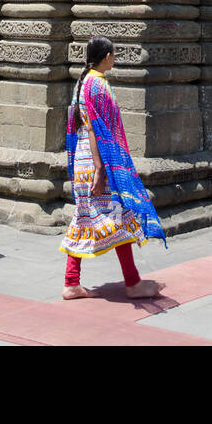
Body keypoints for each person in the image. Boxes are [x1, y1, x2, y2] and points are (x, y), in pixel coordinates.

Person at [61, 35, 165, 301]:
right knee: (120, 216)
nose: (115, 58)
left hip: (84, 159)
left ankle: (72, 282)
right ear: (106, 56)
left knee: (86, 217)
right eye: (114, 54)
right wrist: (101, 168)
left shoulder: (83, 81)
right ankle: (132, 282)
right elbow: (99, 129)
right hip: (97, 161)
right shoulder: (98, 85)